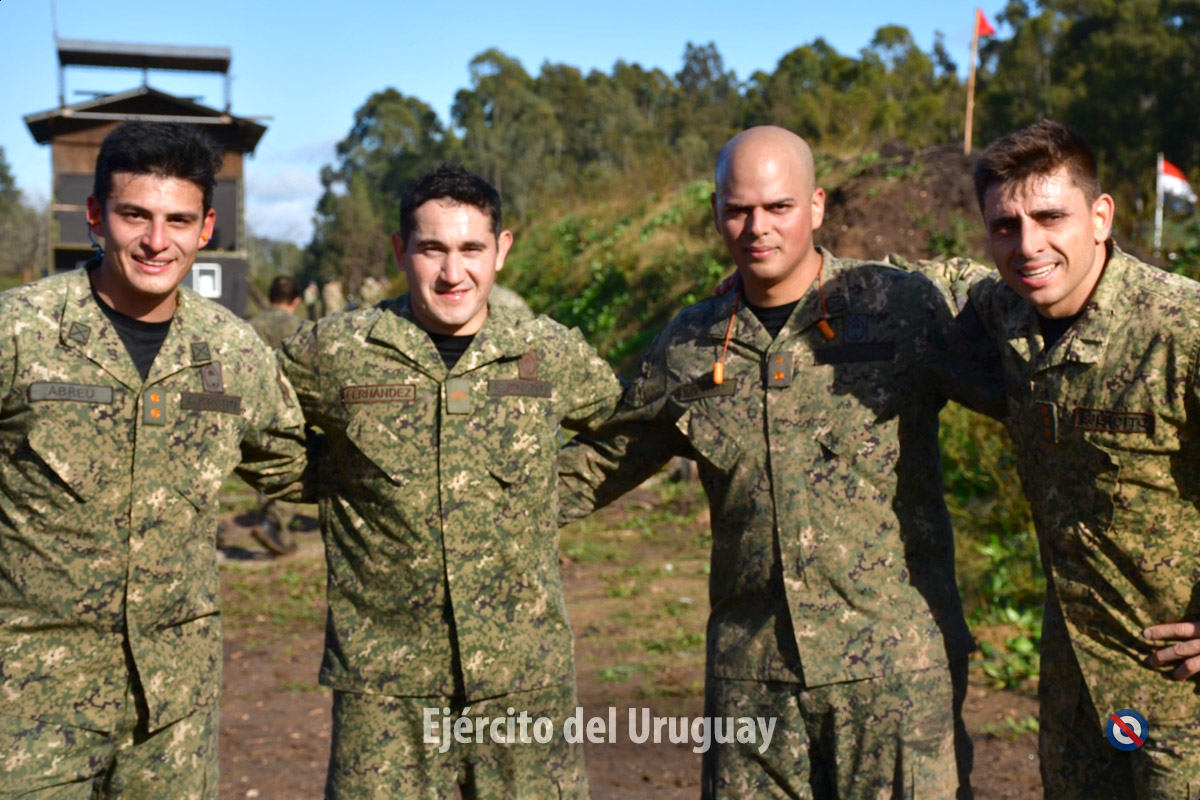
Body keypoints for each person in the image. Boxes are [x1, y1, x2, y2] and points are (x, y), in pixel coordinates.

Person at [558, 125, 990, 798]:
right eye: (738, 209)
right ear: (715, 213)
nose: (757, 227)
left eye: (779, 207)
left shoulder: (897, 308)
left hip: (897, 682)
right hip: (753, 689)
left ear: (816, 207)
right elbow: (596, 463)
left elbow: (1042, 407)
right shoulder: (691, 345)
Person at [280, 164, 621, 799]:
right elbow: (249, 422)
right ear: (400, 250)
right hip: (386, 687)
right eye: (432, 248)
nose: (452, 272)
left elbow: (628, 428)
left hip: (523, 678)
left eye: (471, 249)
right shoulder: (337, 352)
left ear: (503, 249)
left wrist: (548, 493)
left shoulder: (545, 353)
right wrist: (339, 482)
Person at [0, 122, 306, 797]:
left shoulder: (232, 353)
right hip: (26, 707)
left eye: (177, 219)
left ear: (206, 229)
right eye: (134, 214)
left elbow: (297, 463)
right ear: (95, 216)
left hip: (173, 711)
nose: (155, 240)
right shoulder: (17, 333)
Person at [964, 120, 1200, 798]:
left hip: (1183, 701)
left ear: (1100, 217)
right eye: (1005, 226)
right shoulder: (1004, 316)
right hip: (1078, 694)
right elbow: (922, 285)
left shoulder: (1179, 329)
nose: (1028, 244)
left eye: (1049, 217)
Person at [248, 275, 306, 555]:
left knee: (262, 463)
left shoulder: (249, 327)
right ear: (296, 301)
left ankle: (268, 521)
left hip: (256, 406)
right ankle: (274, 525)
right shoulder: (302, 328)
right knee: (293, 467)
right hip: (291, 406)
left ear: (270, 297)